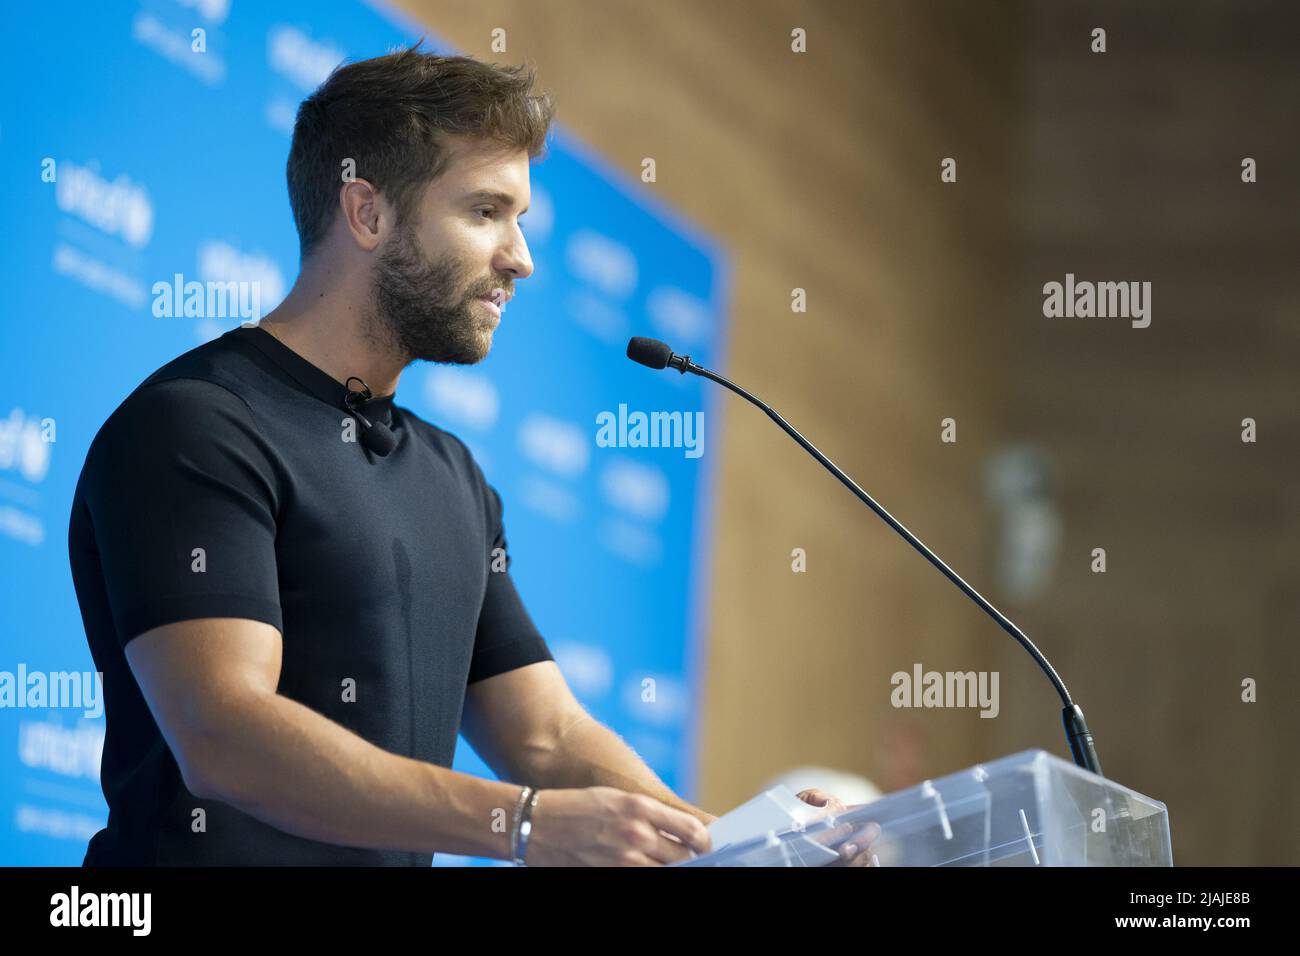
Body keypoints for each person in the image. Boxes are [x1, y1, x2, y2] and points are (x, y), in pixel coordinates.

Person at [68, 43, 866, 867]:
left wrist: (733, 847)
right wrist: (519, 825)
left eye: (518, 219)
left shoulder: (452, 475)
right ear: (367, 213)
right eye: (486, 212)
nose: (520, 257)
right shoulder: (198, 425)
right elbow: (224, 733)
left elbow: (548, 738)